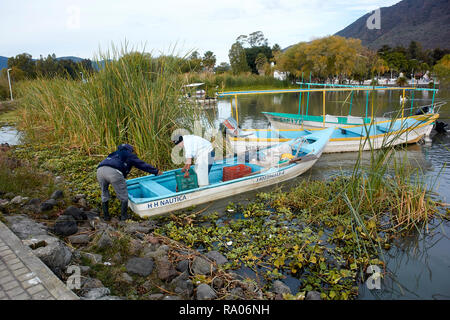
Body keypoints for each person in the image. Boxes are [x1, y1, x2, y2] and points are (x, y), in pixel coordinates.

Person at [97, 144, 162, 221]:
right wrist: (156, 171)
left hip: (99, 171)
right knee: (124, 196)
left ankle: (106, 217)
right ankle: (124, 218)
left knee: (104, 193)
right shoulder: (129, 155)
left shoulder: (114, 153)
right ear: (129, 150)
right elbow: (142, 165)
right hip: (113, 172)